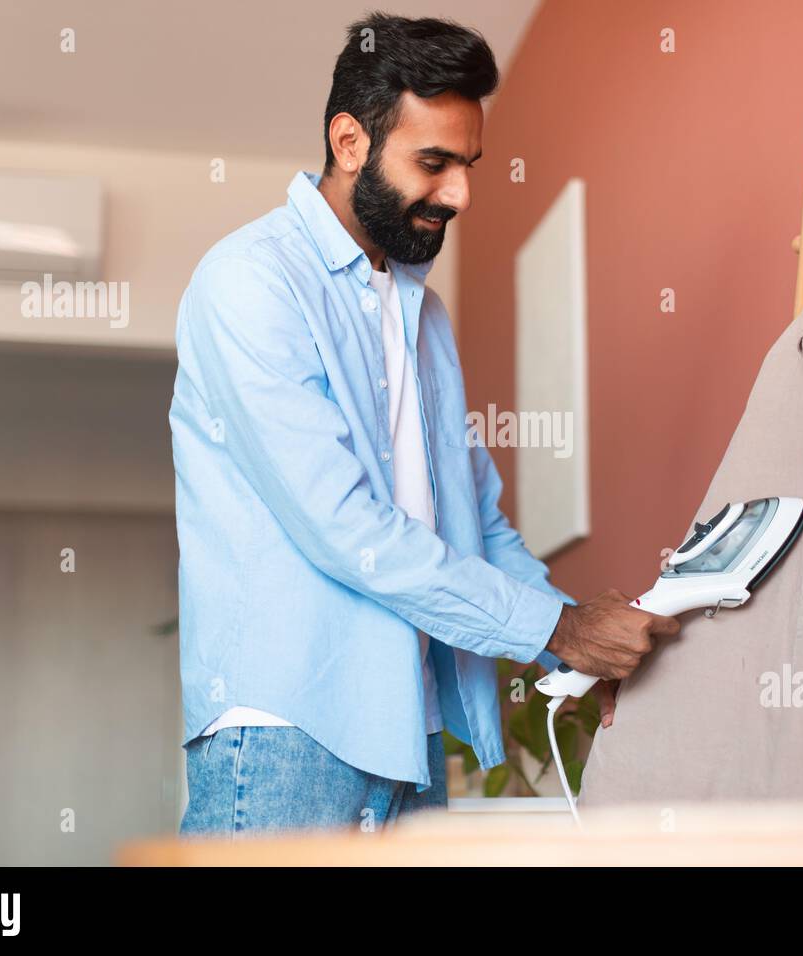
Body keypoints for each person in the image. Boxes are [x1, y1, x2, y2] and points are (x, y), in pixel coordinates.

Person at [170, 12, 678, 836]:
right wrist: (560, 628)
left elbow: (476, 523)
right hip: (284, 733)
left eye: (467, 164)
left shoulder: (424, 317)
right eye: (434, 163)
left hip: (411, 726)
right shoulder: (249, 282)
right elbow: (343, 526)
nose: (461, 193)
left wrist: (572, 645)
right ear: (348, 142)